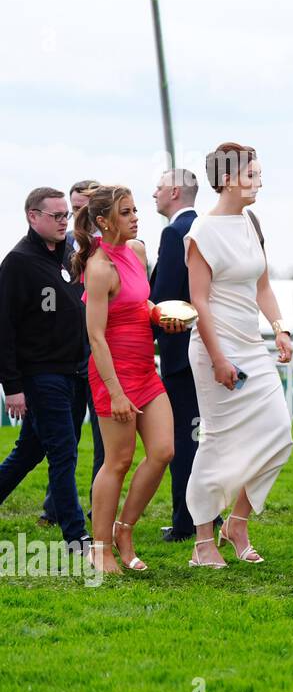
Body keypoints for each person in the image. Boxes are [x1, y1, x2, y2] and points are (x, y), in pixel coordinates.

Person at [185, 142, 293, 569]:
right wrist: (218, 359)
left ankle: (238, 522)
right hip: (216, 348)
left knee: (278, 436)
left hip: (253, 346)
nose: (259, 182)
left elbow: (262, 285)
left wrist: (279, 327)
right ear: (228, 179)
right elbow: (200, 302)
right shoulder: (201, 232)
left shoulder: (251, 221)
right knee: (216, 441)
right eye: (252, 175)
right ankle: (202, 541)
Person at [73, 185, 186, 573]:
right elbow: (96, 336)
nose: (136, 217)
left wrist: (159, 315)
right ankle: (100, 548)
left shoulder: (137, 251)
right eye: (126, 212)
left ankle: (125, 530)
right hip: (113, 375)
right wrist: (116, 393)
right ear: (103, 221)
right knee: (118, 462)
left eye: (136, 209)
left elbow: (141, 303)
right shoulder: (98, 267)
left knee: (163, 452)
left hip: (145, 370)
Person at [1, 187, 93, 552]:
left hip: (75, 371)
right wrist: (13, 386)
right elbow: (4, 328)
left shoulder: (70, 255)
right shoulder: (17, 263)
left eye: (65, 216)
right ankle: (76, 535)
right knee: (64, 451)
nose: (63, 222)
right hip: (42, 375)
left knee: (29, 452)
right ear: (32, 216)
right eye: (56, 216)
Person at [149, 168, 220, 543]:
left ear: (175, 191)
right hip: (210, 352)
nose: (154, 193)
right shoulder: (208, 228)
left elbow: (163, 299)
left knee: (186, 440)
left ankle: (186, 520)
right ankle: (210, 514)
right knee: (207, 436)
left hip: (182, 357)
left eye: (159, 187)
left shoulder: (175, 233)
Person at [36, 179, 104, 528]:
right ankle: (55, 508)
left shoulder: (114, 247)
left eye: (83, 207)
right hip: (69, 360)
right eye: (73, 207)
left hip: (102, 356)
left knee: (105, 439)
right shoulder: (59, 248)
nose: (77, 214)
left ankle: (99, 508)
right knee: (66, 437)